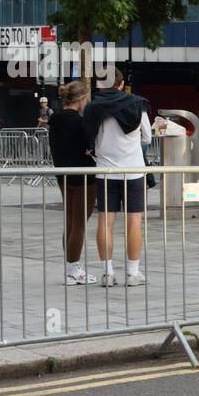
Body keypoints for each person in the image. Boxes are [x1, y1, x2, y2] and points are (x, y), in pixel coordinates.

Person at [83, 68, 151, 287]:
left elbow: (89, 139)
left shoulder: (93, 108)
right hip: (133, 170)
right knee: (134, 221)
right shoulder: (137, 105)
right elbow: (147, 136)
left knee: (105, 221)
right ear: (121, 84)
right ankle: (133, 273)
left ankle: (107, 272)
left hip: (105, 171)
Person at [48, 80, 96, 285]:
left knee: (70, 221)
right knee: (79, 224)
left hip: (62, 174)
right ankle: (73, 269)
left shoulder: (55, 118)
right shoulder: (79, 121)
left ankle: (70, 267)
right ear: (83, 98)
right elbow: (89, 146)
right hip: (84, 174)